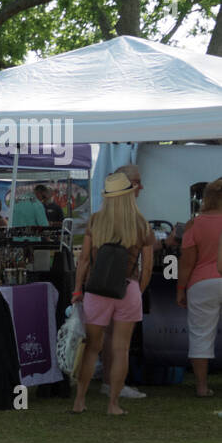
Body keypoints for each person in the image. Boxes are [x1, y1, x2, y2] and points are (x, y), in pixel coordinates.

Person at [70, 171, 154, 415]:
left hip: (97, 290)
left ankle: (79, 401)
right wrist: (138, 290)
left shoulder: (96, 221)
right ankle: (113, 404)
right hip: (128, 289)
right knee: (121, 349)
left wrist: (78, 289)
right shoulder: (141, 224)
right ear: (129, 195)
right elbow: (147, 266)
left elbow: (84, 260)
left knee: (91, 347)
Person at [100, 162, 148, 400]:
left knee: (111, 337)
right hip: (121, 285)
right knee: (119, 341)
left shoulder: (104, 214)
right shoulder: (130, 217)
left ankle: (109, 382)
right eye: (137, 181)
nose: (141, 187)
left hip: (105, 286)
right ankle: (113, 384)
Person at [176, 177, 222, 396]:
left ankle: (202, 387)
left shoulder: (194, 223)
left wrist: (180, 290)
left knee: (201, 335)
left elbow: (186, 263)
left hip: (202, 282)